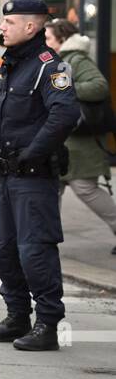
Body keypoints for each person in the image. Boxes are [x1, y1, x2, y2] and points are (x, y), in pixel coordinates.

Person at [0, 0, 80, 351]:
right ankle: (16, 316)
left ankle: (47, 325)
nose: (2, 27)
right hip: (6, 175)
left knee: (34, 252)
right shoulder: (8, 67)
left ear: (31, 27)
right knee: (3, 252)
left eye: (9, 21)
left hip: (34, 177)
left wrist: (31, 153)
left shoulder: (49, 67)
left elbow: (65, 115)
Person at [45, 19, 116, 253]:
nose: (44, 42)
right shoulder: (55, 61)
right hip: (59, 141)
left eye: (48, 38)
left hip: (79, 145)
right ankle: (42, 241)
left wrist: (68, 90)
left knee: (86, 189)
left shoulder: (76, 59)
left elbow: (100, 86)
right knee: (48, 190)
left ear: (62, 39)